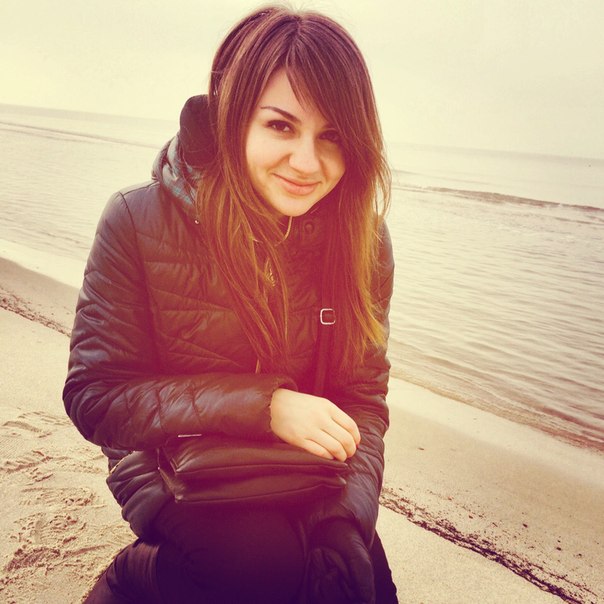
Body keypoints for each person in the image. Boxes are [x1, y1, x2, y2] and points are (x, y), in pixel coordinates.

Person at [63, 5, 397, 603]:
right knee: (255, 567)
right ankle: (132, 577)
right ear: (232, 116)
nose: (307, 162)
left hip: (307, 469)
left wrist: (348, 514)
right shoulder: (137, 219)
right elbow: (96, 396)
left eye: (332, 136)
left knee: (354, 581)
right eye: (281, 126)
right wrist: (263, 407)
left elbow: (363, 399)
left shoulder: (363, 242)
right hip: (173, 465)